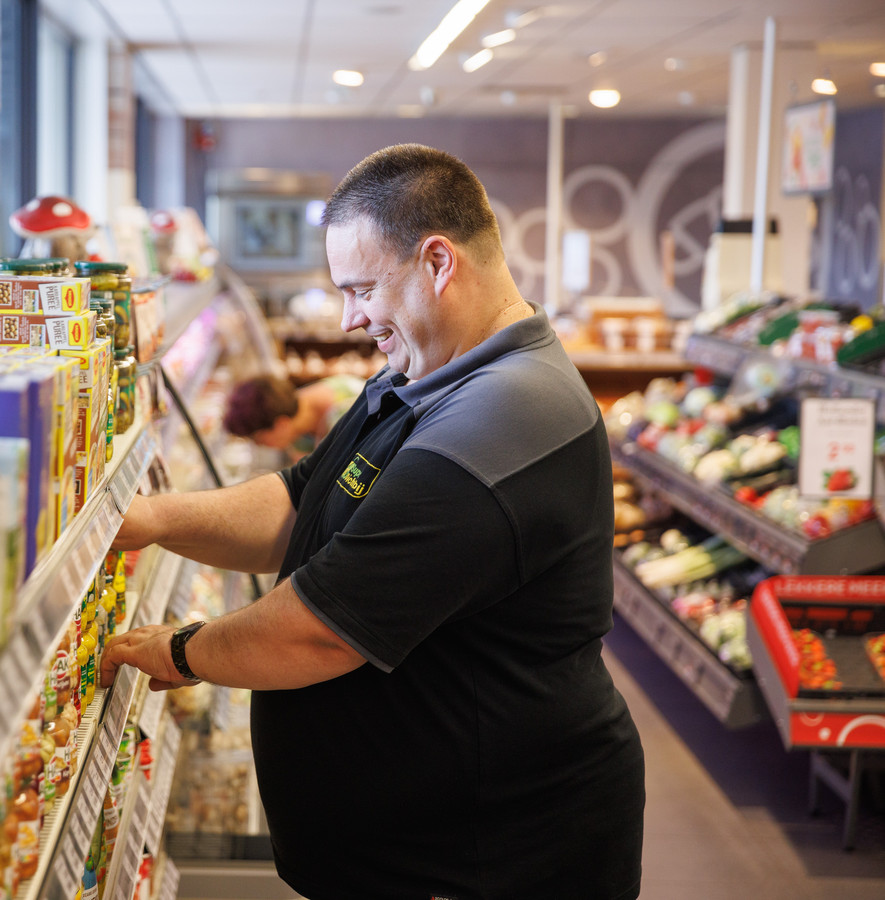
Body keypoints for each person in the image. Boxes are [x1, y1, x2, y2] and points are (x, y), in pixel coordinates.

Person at [99, 144, 645, 900]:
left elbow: (324, 628)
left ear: (437, 263)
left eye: (361, 289)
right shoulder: (420, 373)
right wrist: (152, 518)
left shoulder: (508, 414)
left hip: (484, 855)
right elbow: (301, 501)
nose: (352, 318)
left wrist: (180, 651)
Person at [222, 372, 365, 460]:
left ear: (280, 425)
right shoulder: (296, 417)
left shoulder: (348, 411)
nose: (261, 447)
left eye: (259, 440)